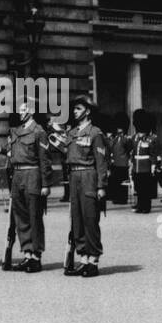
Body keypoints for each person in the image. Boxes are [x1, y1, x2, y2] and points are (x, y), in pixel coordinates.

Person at [63, 95, 108, 277]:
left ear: (88, 111)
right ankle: (82, 258)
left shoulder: (95, 133)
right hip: (74, 176)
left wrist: (101, 185)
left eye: (79, 109)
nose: (75, 111)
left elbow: (101, 161)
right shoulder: (72, 133)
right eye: (74, 109)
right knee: (77, 219)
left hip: (89, 174)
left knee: (90, 219)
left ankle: (93, 260)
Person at [5, 102, 54, 271]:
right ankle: (27, 253)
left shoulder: (39, 132)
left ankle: (36, 255)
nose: (21, 112)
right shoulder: (16, 132)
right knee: (21, 218)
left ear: (32, 111)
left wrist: (45, 183)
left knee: (34, 217)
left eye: (24, 109)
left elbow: (45, 160)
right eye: (19, 109)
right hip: (17, 176)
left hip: (33, 175)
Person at [130, 110, 159, 214]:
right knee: (138, 188)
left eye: (142, 131)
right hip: (137, 167)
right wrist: (132, 165)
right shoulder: (135, 138)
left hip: (146, 167)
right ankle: (140, 205)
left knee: (145, 188)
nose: (140, 133)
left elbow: (153, 155)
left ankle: (146, 207)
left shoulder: (151, 140)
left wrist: (153, 167)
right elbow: (133, 153)